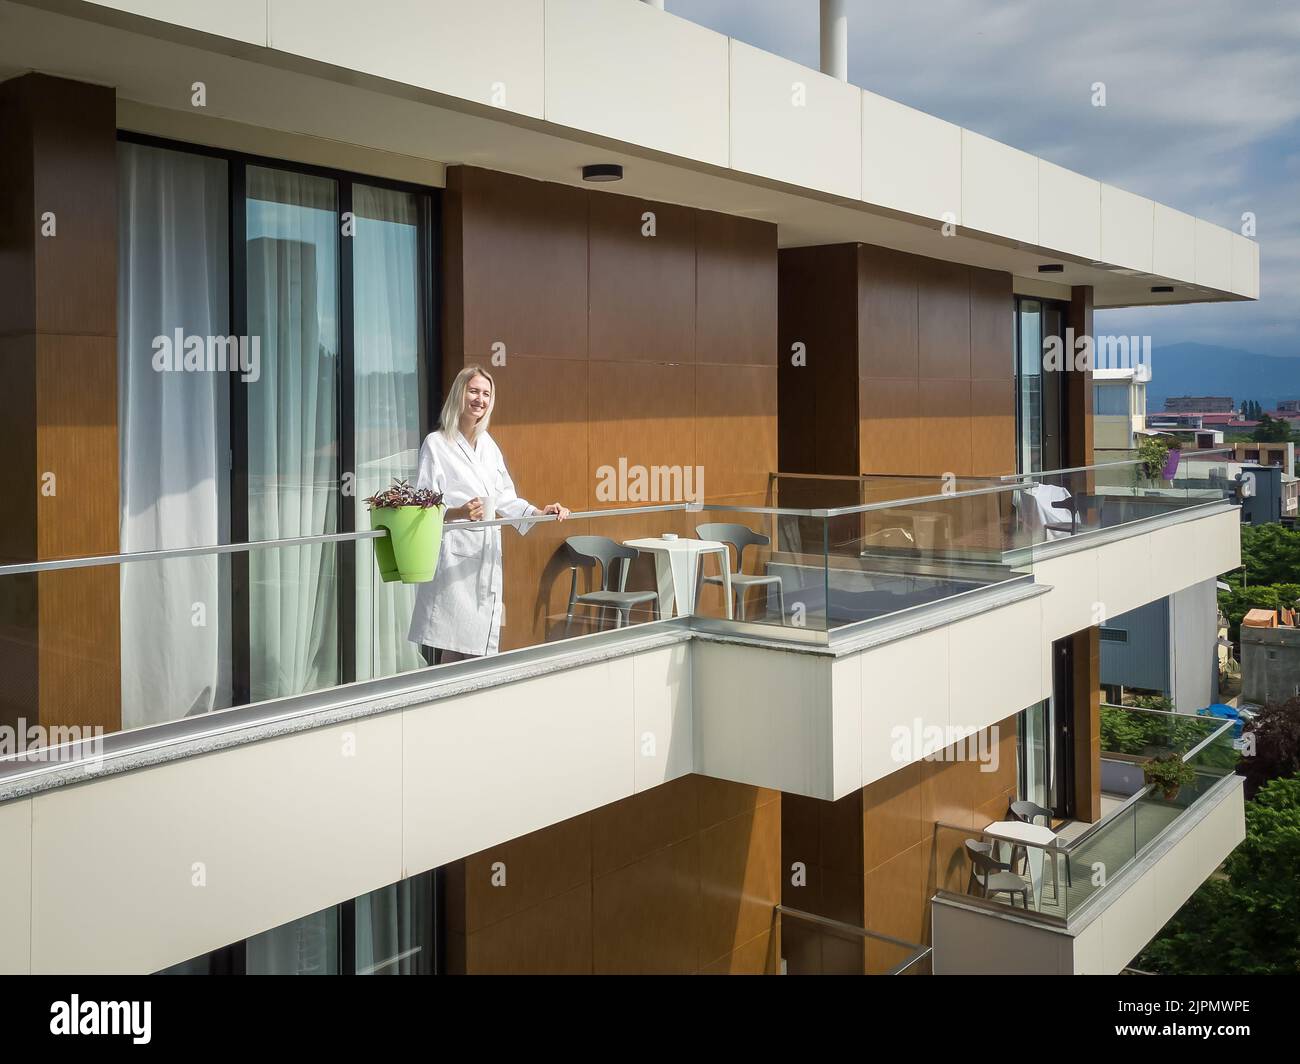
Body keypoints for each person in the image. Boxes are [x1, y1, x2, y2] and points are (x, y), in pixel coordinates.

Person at [407, 365, 569, 662]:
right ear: (459, 394)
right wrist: (460, 511)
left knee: (477, 648)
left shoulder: (488, 446)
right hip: (454, 561)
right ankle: (445, 703)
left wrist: (538, 511)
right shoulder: (437, 444)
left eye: (486, 393)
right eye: (473, 391)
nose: (479, 399)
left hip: (485, 558)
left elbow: (504, 496)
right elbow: (422, 506)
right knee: (455, 644)